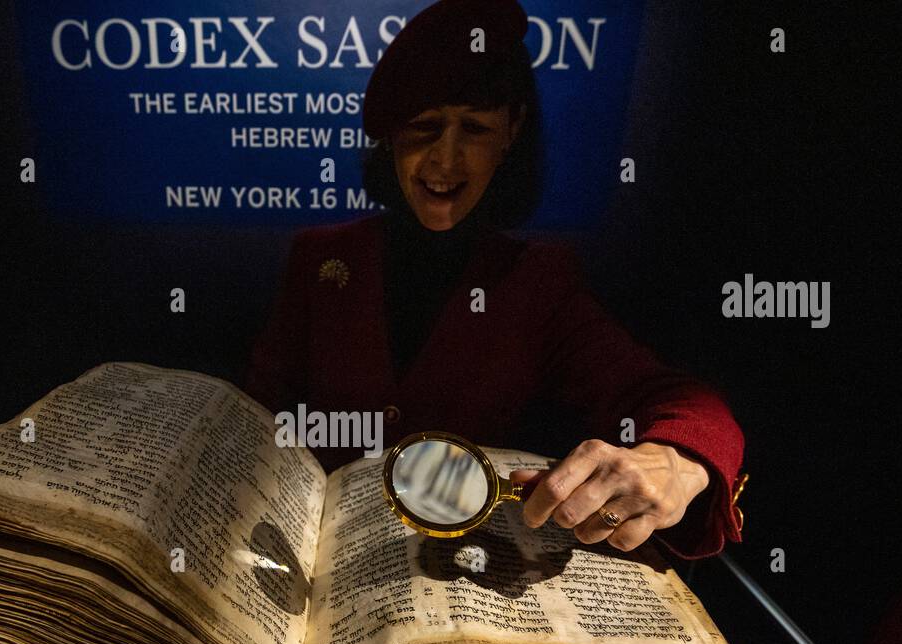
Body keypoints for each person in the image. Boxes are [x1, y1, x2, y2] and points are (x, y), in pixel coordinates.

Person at [244, 0, 746, 560]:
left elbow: (683, 404)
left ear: (512, 131)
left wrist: (678, 460)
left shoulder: (539, 283)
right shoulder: (321, 259)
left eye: (475, 128)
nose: (445, 159)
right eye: (424, 126)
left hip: (457, 570)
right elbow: (264, 413)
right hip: (307, 551)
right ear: (389, 138)